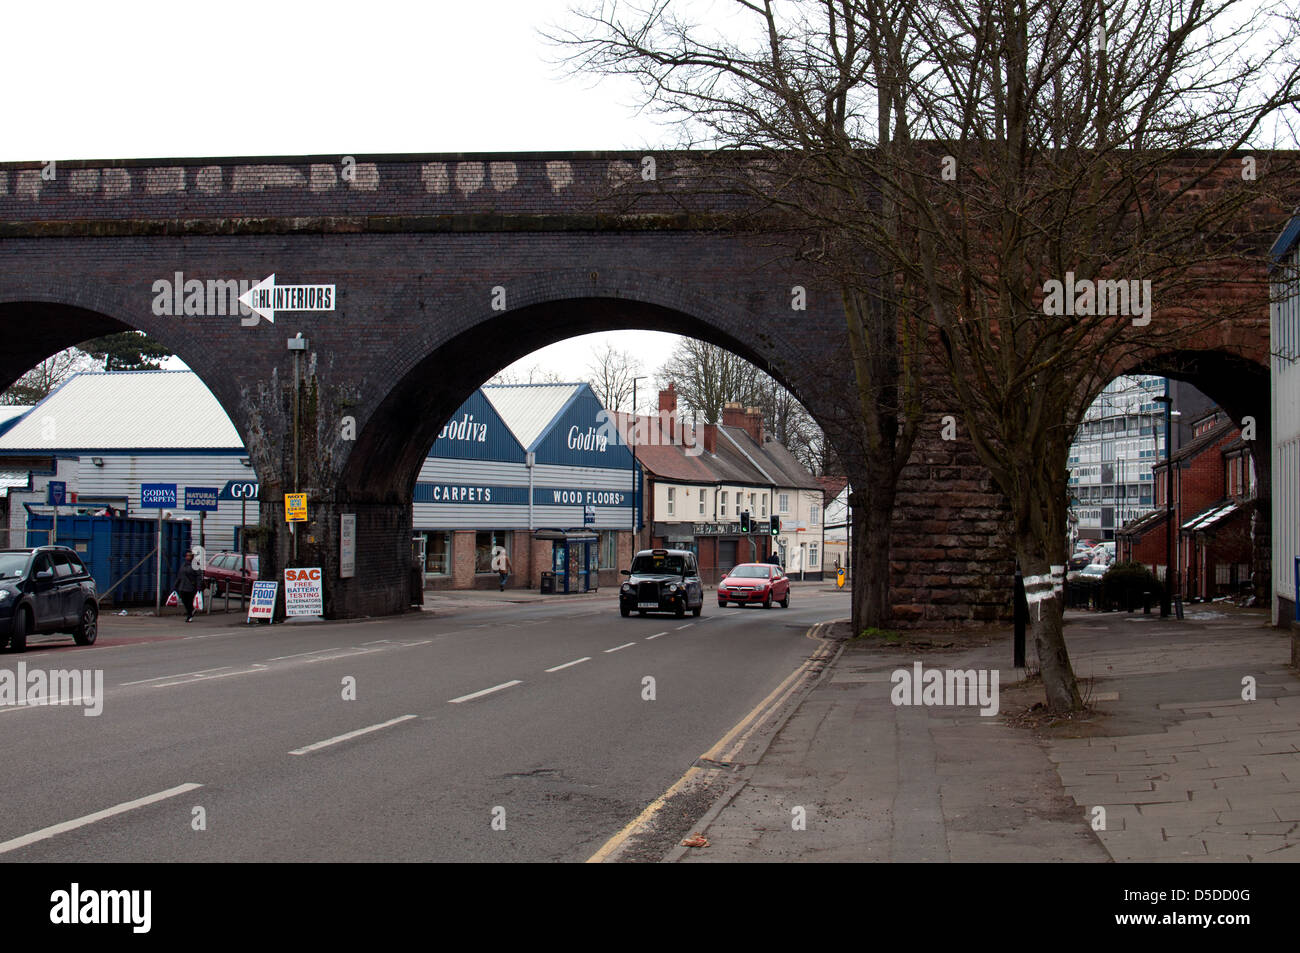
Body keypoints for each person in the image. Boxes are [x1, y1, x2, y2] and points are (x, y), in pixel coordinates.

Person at [173, 550, 202, 623]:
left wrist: (198, 587)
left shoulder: (195, 565)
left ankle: (189, 616)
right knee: (184, 600)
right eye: (187, 556)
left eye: (189, 556)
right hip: (182, 586)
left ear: (192, 557)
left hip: (191, 587)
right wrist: (176, 585)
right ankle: (191, 611)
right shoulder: (184, 564)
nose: (188, 557)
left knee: (189, 601)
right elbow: (180, 575)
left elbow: (199, 577)